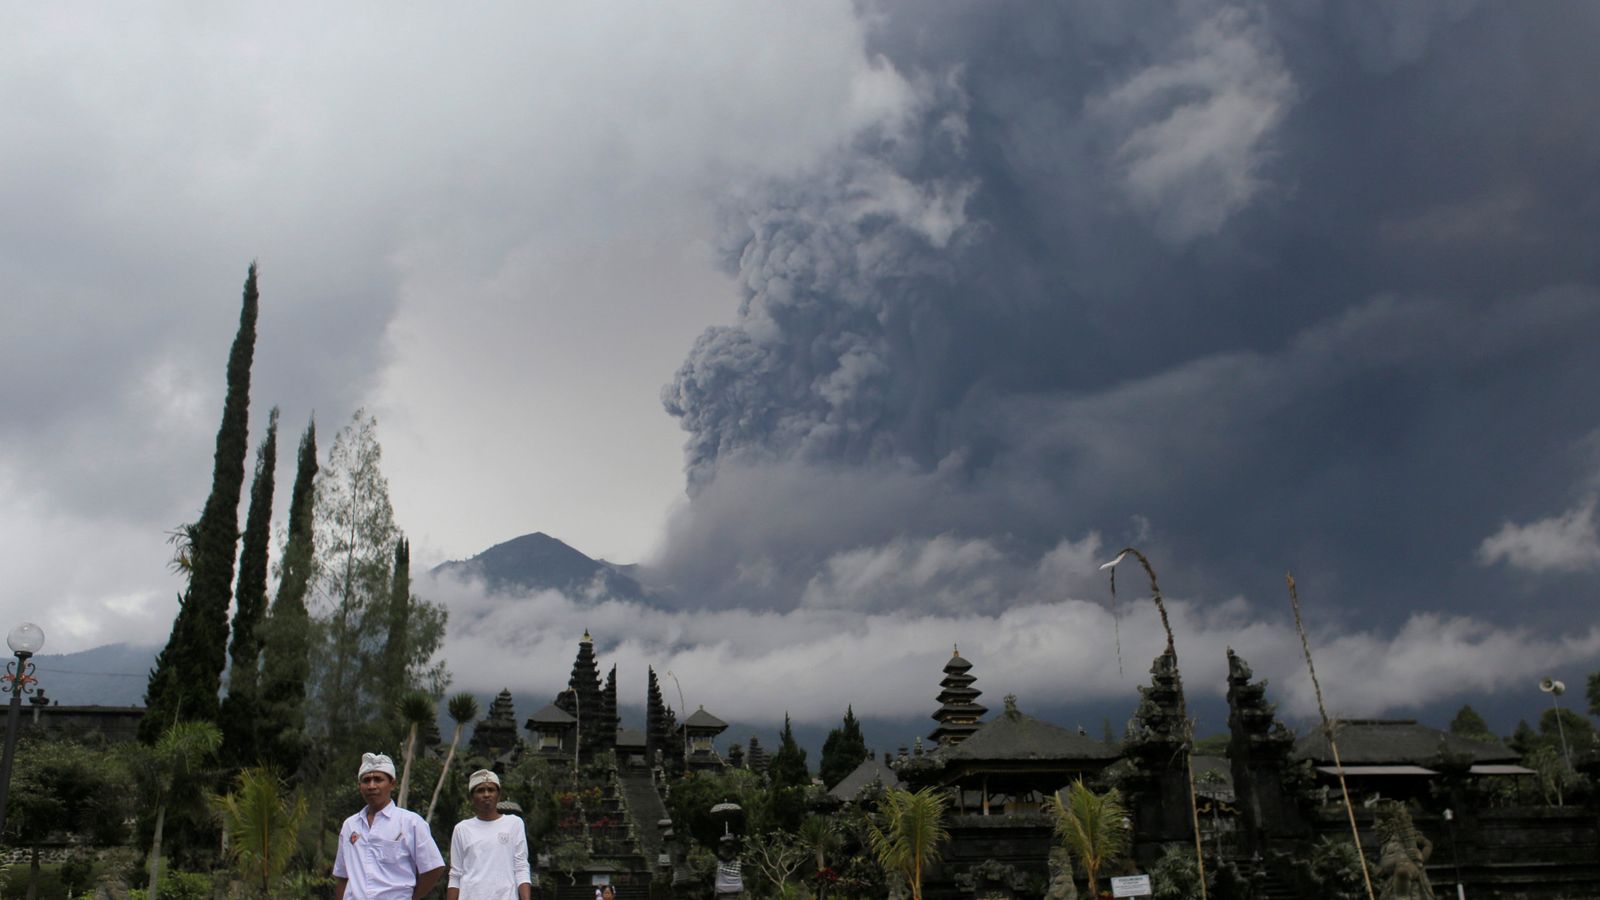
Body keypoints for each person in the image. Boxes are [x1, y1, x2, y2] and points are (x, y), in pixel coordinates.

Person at [333, 753, 447, 900]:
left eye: (378, 779)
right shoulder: (350, 825)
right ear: (360, 786)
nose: (372, 786)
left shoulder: (410, 822)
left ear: (392, 784)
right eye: (366, 780)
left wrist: (413, 897)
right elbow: (342, 876)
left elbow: (434, 867)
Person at [447, 769, 532, 900]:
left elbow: (521, 866)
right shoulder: (462, 829)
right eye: (480, 790)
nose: (486, 794)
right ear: (472, 797)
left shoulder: (514, 824)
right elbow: (455, 874)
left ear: (499, 795)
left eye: (491, 790)